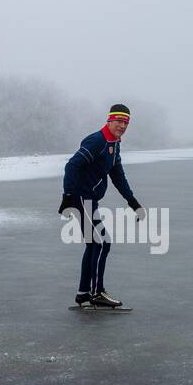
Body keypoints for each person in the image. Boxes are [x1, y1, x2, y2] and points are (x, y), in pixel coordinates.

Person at [58, 103, 145, 308]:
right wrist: (68, 195)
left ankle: (83, 293)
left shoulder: (114, 144)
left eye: (125, 123)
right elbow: (72, 165)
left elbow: (117, 174)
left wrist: (132, 201)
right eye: (119, 121)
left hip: (90, 198)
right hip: (81, 197)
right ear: (110, 120)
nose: (122, 126)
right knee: (101, 242)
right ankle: (96, 293)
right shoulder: (98, 140)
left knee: (95, 243)